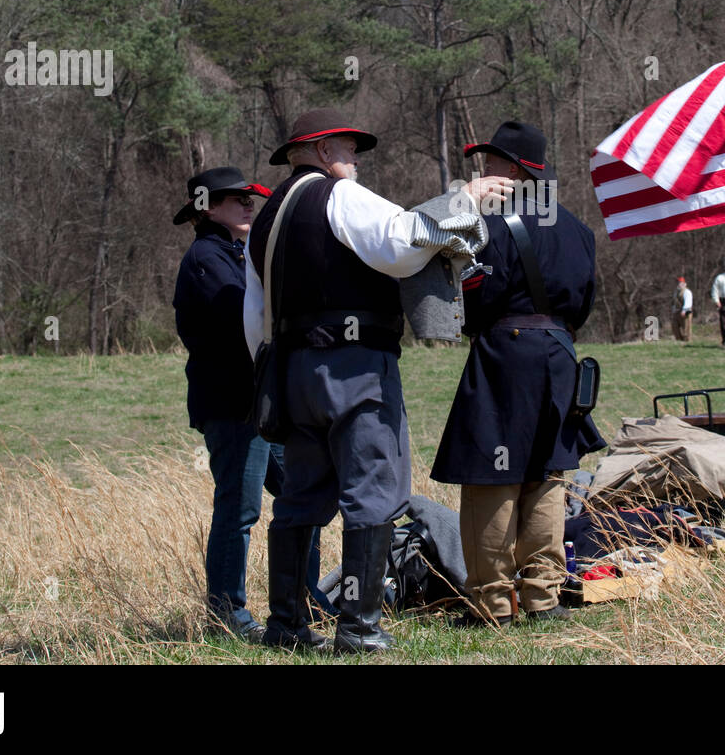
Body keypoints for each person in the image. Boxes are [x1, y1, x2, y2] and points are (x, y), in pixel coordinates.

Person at [243, 108, 510, 654]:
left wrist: (279, 372)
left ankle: (286, 626)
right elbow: (399, 242)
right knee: (375, 490)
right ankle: (359, 628)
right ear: (321, 151)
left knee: (299, 499)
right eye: (347, 148)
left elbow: (254, 316)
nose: (355, 158)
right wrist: (466, 198)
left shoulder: (266, 217)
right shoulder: (338, 195)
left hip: (289, 372)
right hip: (355, 367)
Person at [431, 121, 606, 626]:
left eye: (491, 162)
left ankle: (492, 603)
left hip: (506, 355)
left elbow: (475, 297)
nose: (483, 171)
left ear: (514, 169)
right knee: (546, 475)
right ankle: (543, 597)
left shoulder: (491, 222)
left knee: (492, 477)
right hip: (558, 354)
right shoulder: (577, 229)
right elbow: (583, 305)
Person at [173, 166, 283, 640]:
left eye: (249, 197)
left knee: (301, 496)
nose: (248, 204)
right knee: (238, 509)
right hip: (235, 406)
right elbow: (244, 316)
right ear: (207, 208)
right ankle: (226, 616)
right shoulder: (205, 256)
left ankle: (303, 602)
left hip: (262, 403)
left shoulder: (236, 250)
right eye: (235, 199)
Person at [672, 276, 693, 342]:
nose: (679, 284)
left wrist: (684, 310)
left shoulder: (687, 292)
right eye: (678, 282)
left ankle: (687, 341)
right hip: (677, 311)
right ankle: (679, 340)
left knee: (686, 327)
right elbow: (674, 302)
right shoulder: (676, 292)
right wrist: (673, 310)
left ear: (684, 284)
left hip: (686, 311)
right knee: (674, 326)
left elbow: (688, 303)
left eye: (681, 282)